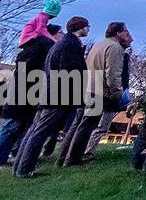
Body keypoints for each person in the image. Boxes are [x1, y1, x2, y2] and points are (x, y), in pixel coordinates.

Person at [13, 16, 90, 177]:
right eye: (87, 26)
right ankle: (25, 169)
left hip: (48, 93)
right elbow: (70, 72)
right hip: (57, 96)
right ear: (80, 27)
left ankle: (20, 167)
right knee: (40, 132)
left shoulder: (60, 45)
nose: (88, 29)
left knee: (34, 130)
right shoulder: (70, 45)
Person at [62, 22, 132, 166]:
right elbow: (112, 74)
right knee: (88, 127)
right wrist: (117, 92)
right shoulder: (115, 47)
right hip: (100, 91)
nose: (127, 34)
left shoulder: (99, 44)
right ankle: (74, 159)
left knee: (80, 125)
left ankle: (65, 156)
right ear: (118, 32)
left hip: (88, 88)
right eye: (125, 31)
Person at [0, 18, 57, 166]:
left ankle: (10, 156)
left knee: (18, 127)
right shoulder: (35, 51)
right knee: (10, 127)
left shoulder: (38, 51)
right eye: (60, 33)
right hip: (21, 95)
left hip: (26, 95)